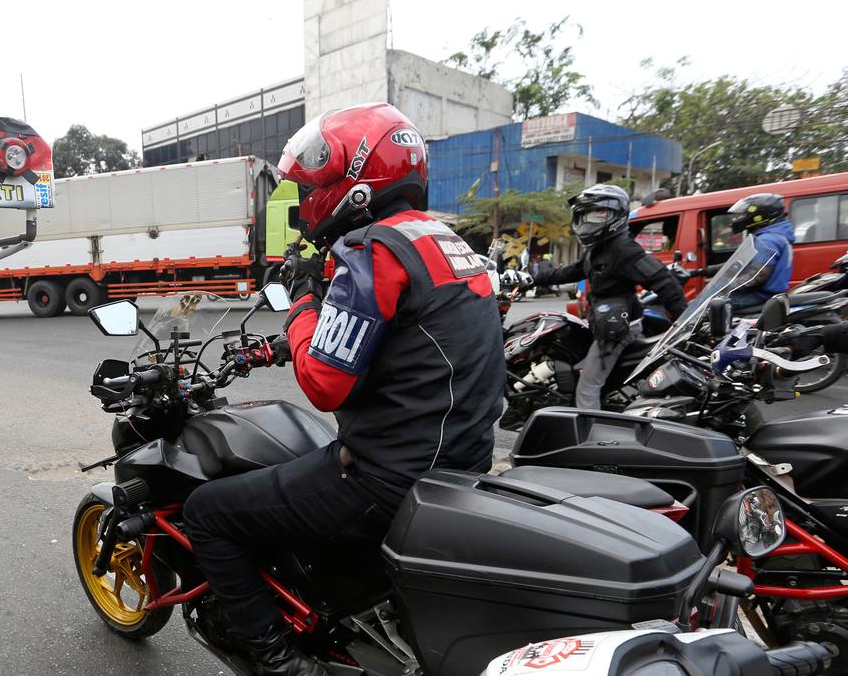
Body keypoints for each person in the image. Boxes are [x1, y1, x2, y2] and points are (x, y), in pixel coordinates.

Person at [183, 103, 505, 675]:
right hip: (461, 464)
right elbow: (408, 341)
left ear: (354, 186)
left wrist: (304, 298)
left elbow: (324, 383)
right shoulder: (448, 245)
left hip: (387, 477)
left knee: (208, 512)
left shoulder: (372, 251)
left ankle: (280, 662)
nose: (306, 205)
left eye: (312, 191)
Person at [525, 184, 688, 410]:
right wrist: (532, 278)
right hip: (603, 321)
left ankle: (588, 434)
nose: (589, 221)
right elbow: (571, 271)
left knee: (587, 386)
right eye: (586, 215)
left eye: (597, 214)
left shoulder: (624, 249)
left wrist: (684, 321)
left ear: (615, 215)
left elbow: (663, 280)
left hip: (619, 328)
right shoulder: (599, 248)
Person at [726, 193, 794, 310]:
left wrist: (728, 286)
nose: (741, 218)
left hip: (760, 295)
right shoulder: (775, 236)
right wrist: (705, 271)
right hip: (769, 294)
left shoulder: (767, 240)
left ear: (759, 215)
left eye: (746, 214)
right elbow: (743, 262)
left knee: (710, 306)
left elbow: (757, 275)